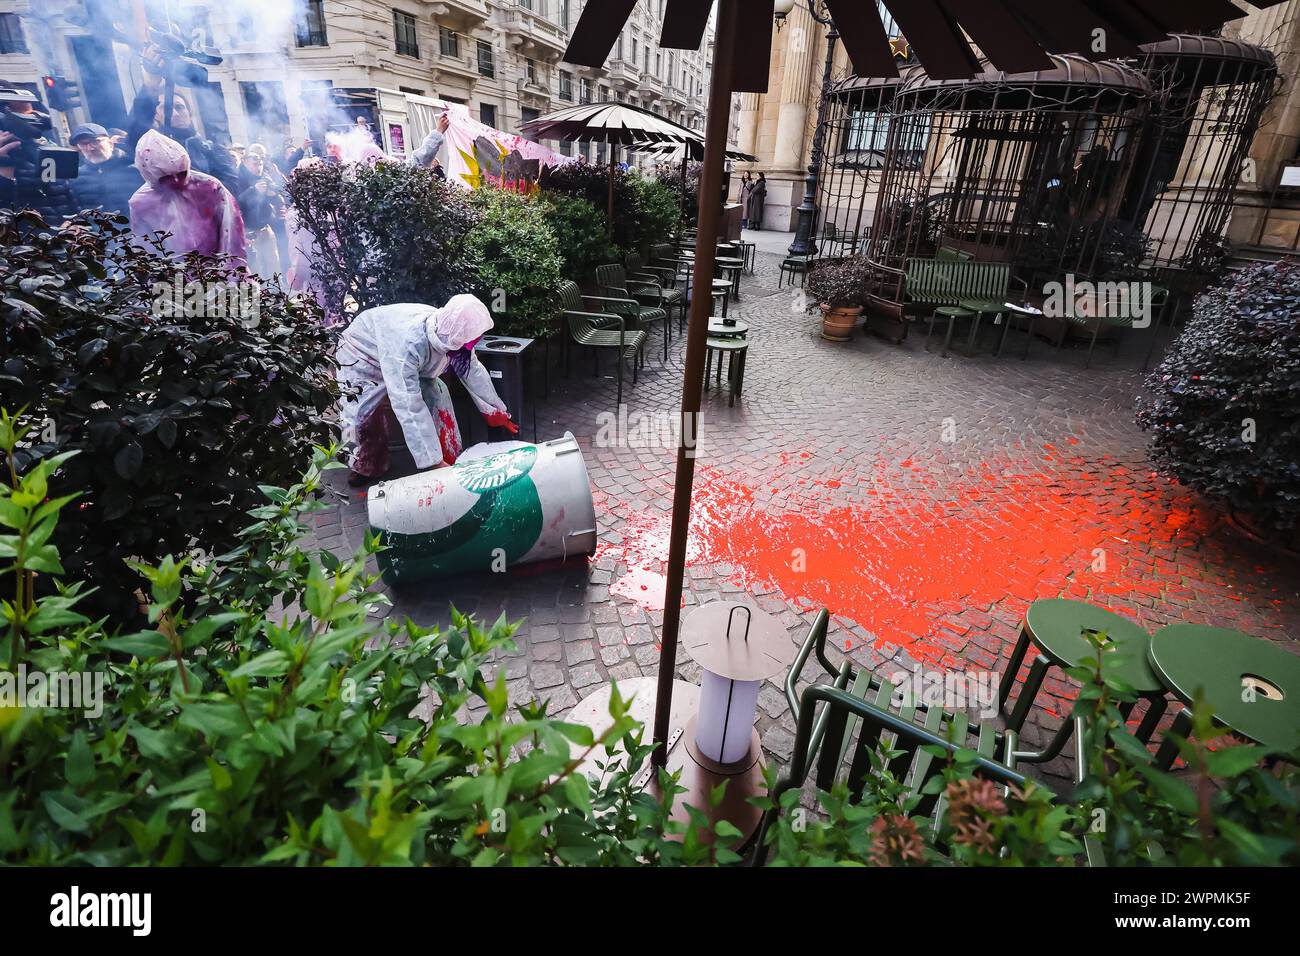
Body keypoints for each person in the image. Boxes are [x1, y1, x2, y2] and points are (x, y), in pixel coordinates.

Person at [336, 295, 518, 485]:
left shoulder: (455, 331)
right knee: (361, 414)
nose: (472, 345)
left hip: (397, 352)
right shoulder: (409, 344)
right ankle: (365, 465)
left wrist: (496, 412)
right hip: (361, 353)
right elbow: (408, 404)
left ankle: (452, 458)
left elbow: (473, 370)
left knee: (438, 393)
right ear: (454, 338)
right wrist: (433, 463)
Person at [126, 47, 241, 196]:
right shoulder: (150, 150)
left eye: (180, 107)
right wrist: (151, 85)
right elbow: (136, 133)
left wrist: (191, 188)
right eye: (166, 108)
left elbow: (231, 190)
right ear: (155, 115)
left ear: (189, 112)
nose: (174, 114)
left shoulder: (212, 151)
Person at [129, 129, 246, 265]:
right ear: (148, 173)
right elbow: (144, 249)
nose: (177, 181)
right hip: (177, 277)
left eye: (181, 173)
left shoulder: (209, 186)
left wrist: (230, 270)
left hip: (219, 270)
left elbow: (231, 229)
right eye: (167, 178)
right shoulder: (140, 202)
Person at [69, 123, 143, 217]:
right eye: (83, 144)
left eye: (95, 141)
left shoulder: (136, 169)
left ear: (110, 144)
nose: (90, 148)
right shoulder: (77, 176)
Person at [235, 147, 283, 280]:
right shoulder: (237, 178)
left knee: (273, 262)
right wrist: (253, 190)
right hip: (248, 231)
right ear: (244, 162)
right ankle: (260, 294)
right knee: (256, 267)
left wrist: (273, 194)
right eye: (255, 164)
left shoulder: (264, 176)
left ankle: (277, 290)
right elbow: (236, 202)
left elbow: (278, 190)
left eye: (260, 164)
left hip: (265, 227)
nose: (258, 167)